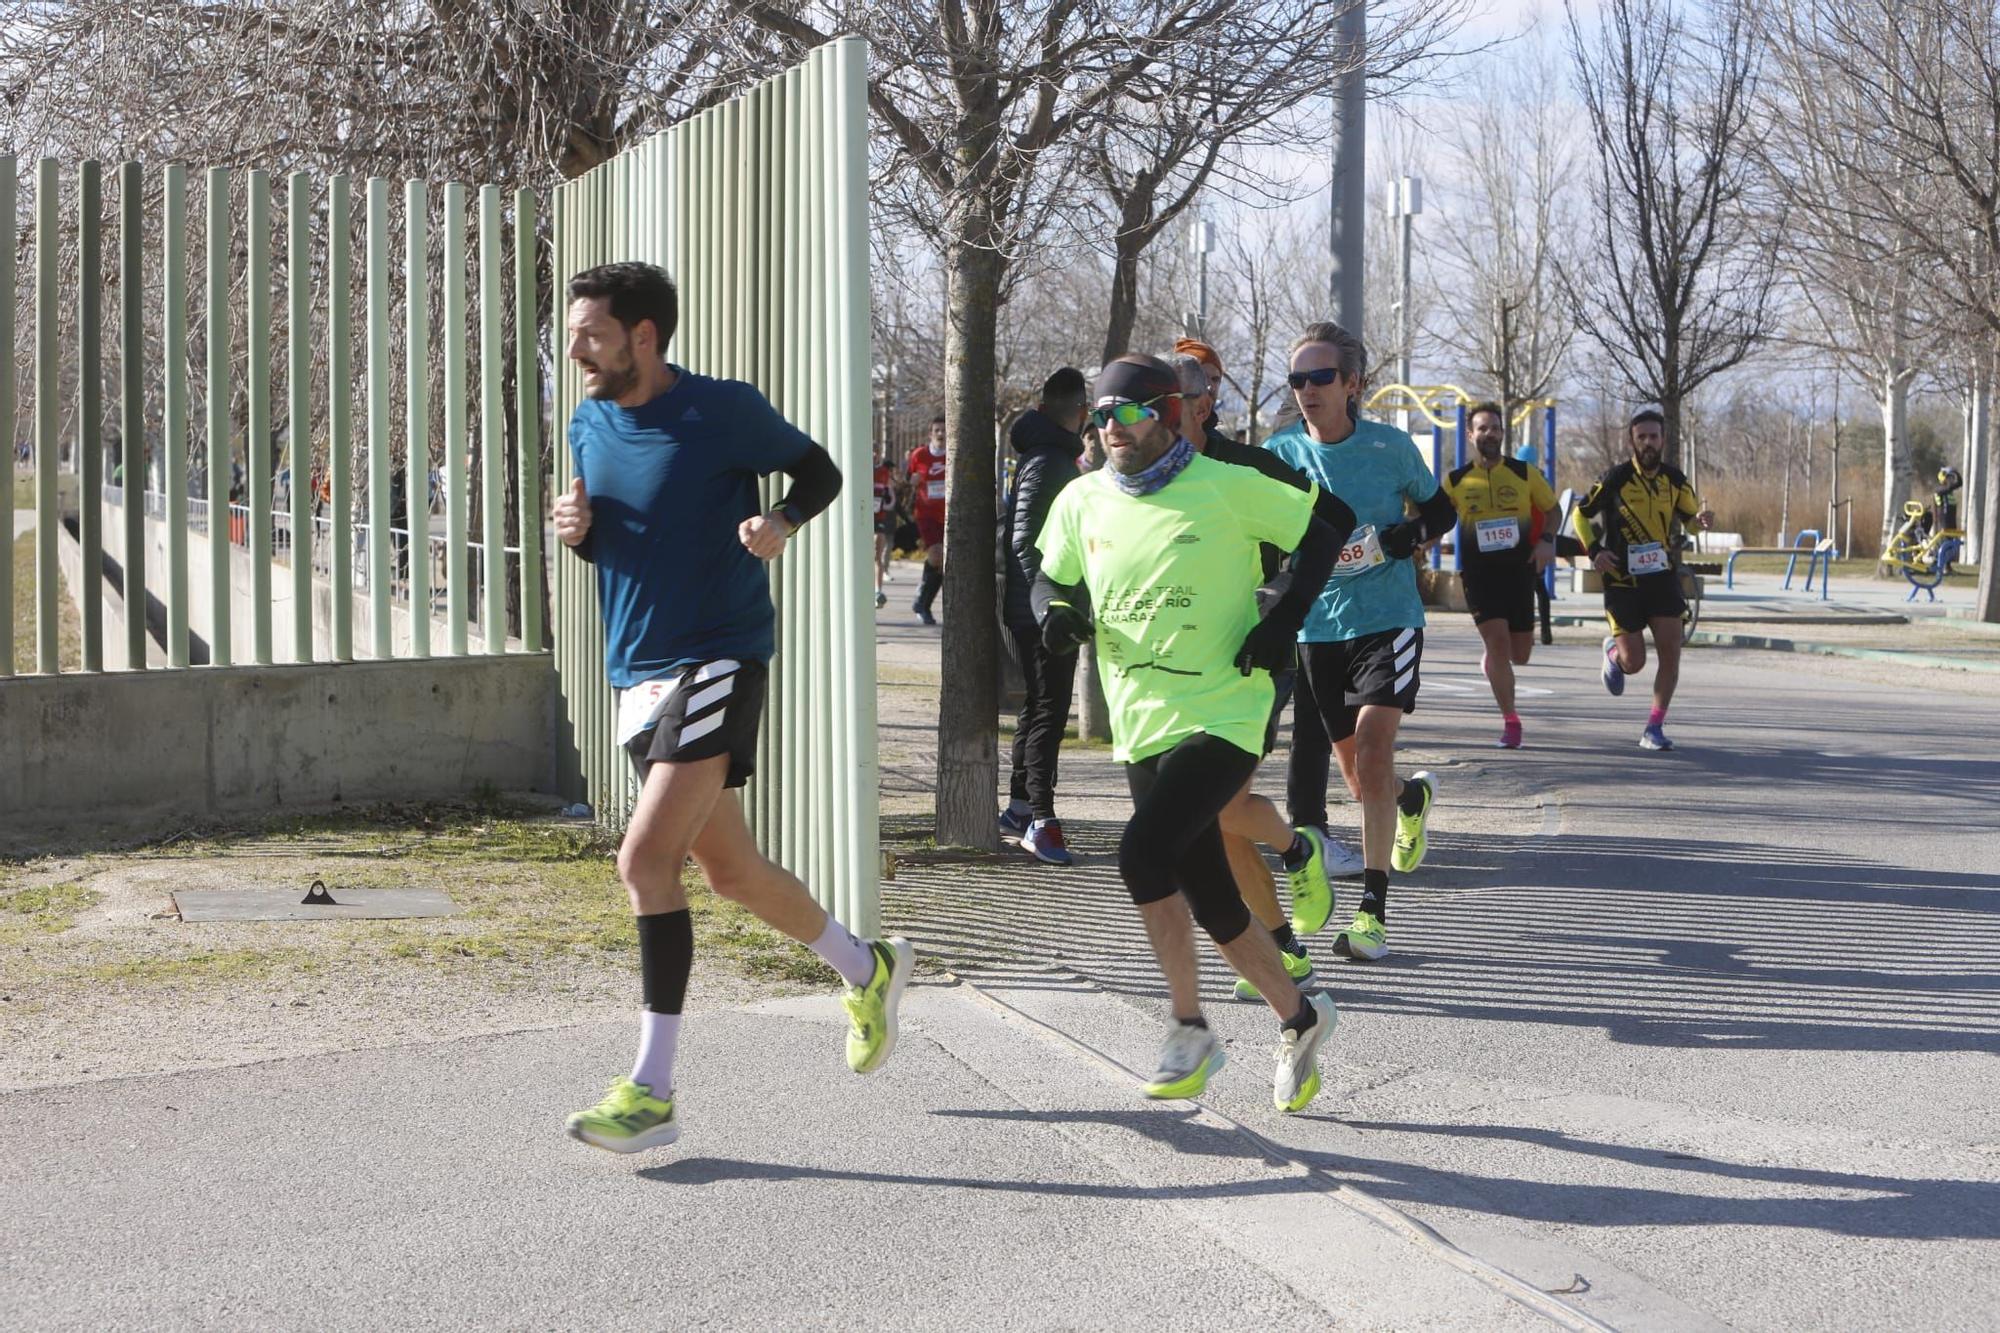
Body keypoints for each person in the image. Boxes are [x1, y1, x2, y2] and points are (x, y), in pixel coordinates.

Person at [554, 261, 914, 1154]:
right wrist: (581, 537)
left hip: (719, 654)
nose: (577, 348)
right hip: (635, 671)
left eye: (592, 332)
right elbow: (632, 541)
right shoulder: (588, 419)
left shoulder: (722, 409)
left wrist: (782, 522)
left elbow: (821, 471)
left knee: (643, 861)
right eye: (574, 331)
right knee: (731, 871)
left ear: (644, 335)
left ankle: (652, 1088)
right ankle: (868, 969)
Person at [1034, 354, 1342, 1111]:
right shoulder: (1081, 501)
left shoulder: (1227, 485)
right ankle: (1301, 1017)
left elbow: (1329, 524)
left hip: (1227, 708)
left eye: (1129, 412)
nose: (1112, 427)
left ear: (1171, 414)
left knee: (1143, 848)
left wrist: (1285, 617)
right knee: (1211, 896)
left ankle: (1190, 1027)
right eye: (1102, 414)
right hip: (1142, 720)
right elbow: (1048, 576)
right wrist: (1057, 610)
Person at [1168, 353, 1364, 1004]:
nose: (1157, 416)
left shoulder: (1246, 467)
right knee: (1216, 826)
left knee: (1220, 808)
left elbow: (1331, 520)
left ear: (1203, 405)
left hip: (1255, 662)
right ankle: (1285, 947)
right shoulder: (1149, 480)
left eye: (1171, 401)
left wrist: (1282, 604)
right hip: (1188, 672)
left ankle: (1298, 850)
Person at [1265, 323, 1458, 963]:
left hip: (1389, 616)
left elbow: (1442, 511)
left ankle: (1372, 913)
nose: (1307, 390)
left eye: (1321, 377)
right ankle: (1411, 798)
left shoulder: (1390, 447)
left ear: (1353, 384)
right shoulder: (1282, 454)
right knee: (1360, 778)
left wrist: (1406, 537)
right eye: (1297, 379)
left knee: (1374, 749)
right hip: (1320, 626)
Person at [1572, 407, 1714, 752]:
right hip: (1622, 582)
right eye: (1642, 437)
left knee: (1671, 650)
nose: (1648, 443)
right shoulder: (1615, 478)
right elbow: (1580, 514)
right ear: (1631, 441)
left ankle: (1654, 726)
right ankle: (1613, 655)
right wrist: (1594, 551)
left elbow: (1690, 522)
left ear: (1663, 440)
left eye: (1654, 436)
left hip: (1661, 578)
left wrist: (1701, 521)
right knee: (1635, 663)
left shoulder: (1675, 480)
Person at [1000, 367, 1090, 865]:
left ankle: (1020, 809)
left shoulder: (1047, 455)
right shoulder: (1048, 459)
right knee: (1049, 711)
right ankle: (1041, 819)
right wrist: (1049, 602)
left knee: (1039, 706)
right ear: (1078, 412)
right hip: (1040, 610)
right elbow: (1023, 538)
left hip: (1040, 606)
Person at [1440, 401, 1561, 749]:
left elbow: (1552, 510)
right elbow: (1434, 516)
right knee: (1497, 643)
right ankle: (1511, 721)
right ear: (1470, 434)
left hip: (1519, 573)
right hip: (1479, 576)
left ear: (1502, 433)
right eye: (1482, 428)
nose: (1489, 434)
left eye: (1494, 428)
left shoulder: (1524, 474)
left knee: (1519, 654)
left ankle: (1493, 662)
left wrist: (1547, 542)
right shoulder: (1456, 481)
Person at [907, 416, 948, 625]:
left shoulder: (953, 455)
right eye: (937, 430)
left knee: (943, 562)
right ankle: (922, 600)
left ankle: (923, 603)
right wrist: (912, 481)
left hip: (950, 516)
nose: (941, 434)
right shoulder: (920, 455)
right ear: (930, 434)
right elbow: (910, 478)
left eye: (944, 430)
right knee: (937, 553)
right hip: (926, 514)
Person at [871, 443, 896, 609]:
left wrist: (887, 505)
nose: (874, 454)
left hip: (878, 517)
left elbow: (892, 495)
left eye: (876, 452)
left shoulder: (884, 472)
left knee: (876, 554)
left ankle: (878, 591)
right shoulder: (860, 468)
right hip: (860, 519)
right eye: (871, 451)